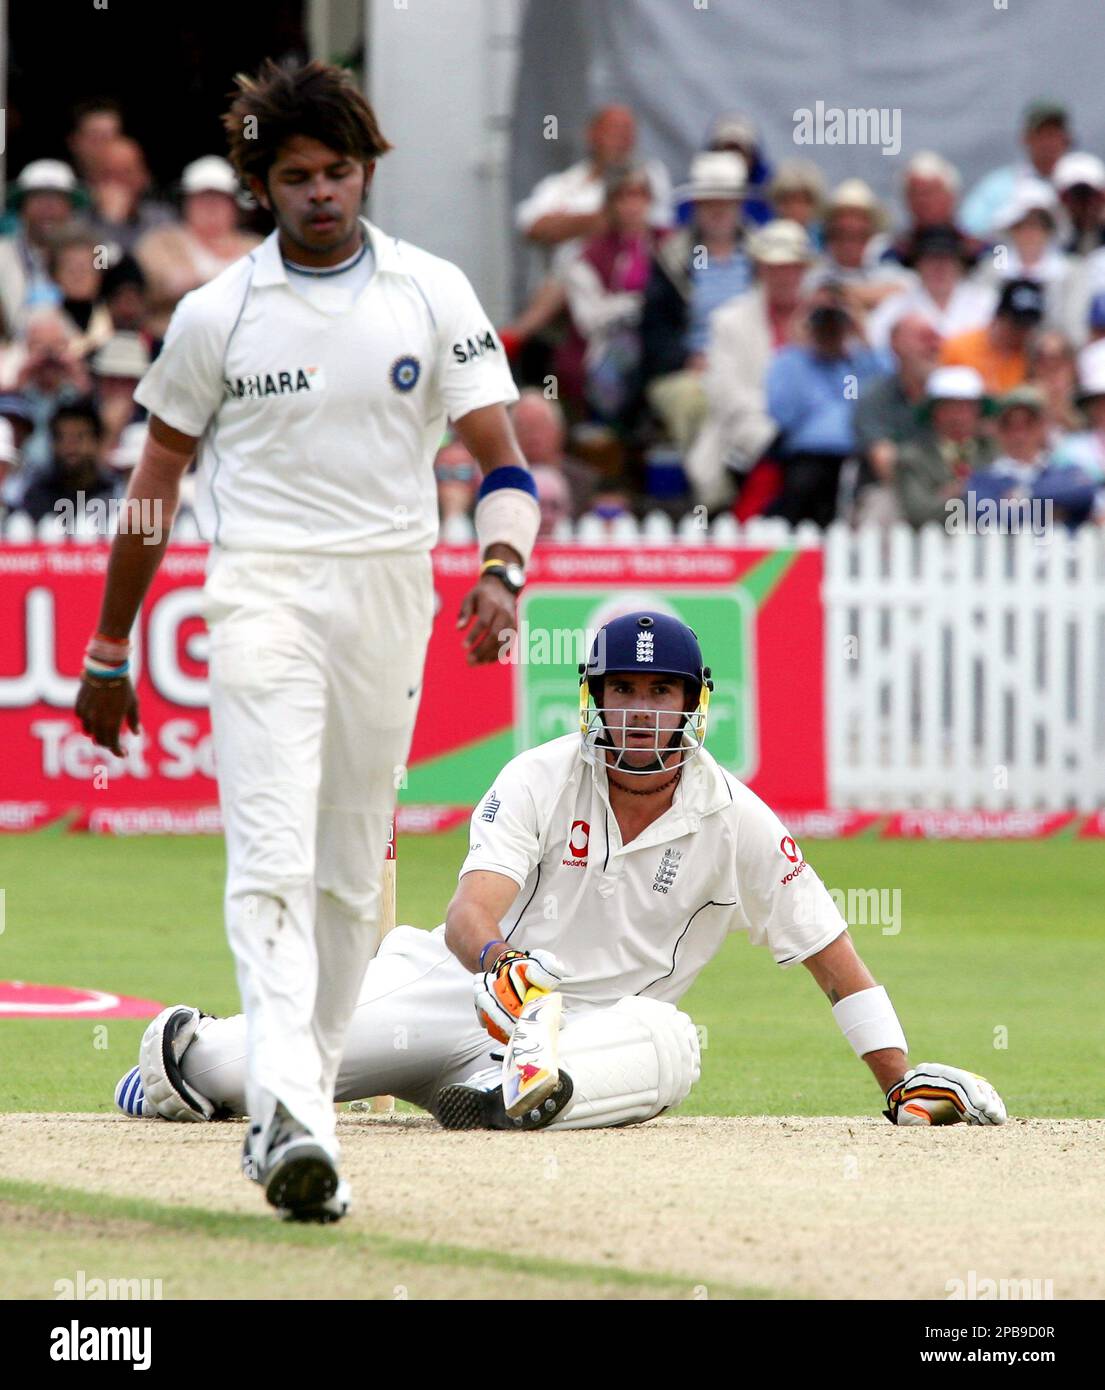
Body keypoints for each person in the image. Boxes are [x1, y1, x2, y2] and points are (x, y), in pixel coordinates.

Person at [73, 60, 534, 1225]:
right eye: (296, 178)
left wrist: (500, 567)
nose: (320, 194)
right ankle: (289, 1121)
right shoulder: (218, 312)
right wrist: (109, 646)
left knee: (343, 890)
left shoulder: (431, 293)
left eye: (337, 173)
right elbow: (154, 488)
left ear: (365, 170)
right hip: (263, 596)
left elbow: (505, 463)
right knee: (272, 855)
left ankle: (302, 1101)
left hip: (389, 600)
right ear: (262, 187)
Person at [114, 612, 1008, 1137]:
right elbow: (471, 913)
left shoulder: (736, 816)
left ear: (694, 705)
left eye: (662, 695)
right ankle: (191, 1049)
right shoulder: (541, 775)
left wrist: (895, 1083)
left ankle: (506, 1103)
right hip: (461, 995)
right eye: (623, 690)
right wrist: (507, 970)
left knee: (670, 1043)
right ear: (594, 699)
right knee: (234, 1079)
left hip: (585, 1037)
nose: (642, 711)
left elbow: (830, 955)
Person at [685, 218, 815, 511]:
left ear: (804, 270)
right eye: (774, 267)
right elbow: (727, 397)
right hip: (742, 441)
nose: (783, 276)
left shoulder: (821, 319)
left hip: (810, 447)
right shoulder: (728, 320)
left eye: (791, 267)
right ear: (760, 269)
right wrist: (779, 438)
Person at [640, 151, 751, 458]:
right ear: (697, 206)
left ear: (738, 205)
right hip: (691, 370)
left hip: (753, 363)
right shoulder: (670, 257)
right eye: (709, 202)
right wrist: (688, 358)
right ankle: (712, 493)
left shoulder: (761, 254)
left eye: (724, 202)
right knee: (696, 402)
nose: (718, 211)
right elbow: (654, 329)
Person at [764, 283, 889, 526]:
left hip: (857, 456)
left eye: (837, 318)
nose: (830, 327)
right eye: (822, 316)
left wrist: (863, 334)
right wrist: (801, 345)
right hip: (807, 459)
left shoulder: (861, 361)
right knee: (804, 490)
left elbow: (888, 394)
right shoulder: (791, 361)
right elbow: (783, 415)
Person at [559, 164, 661, 420]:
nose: (633, 205)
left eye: (640, 195)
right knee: (620, 358)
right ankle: (611, 431)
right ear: (611, 204)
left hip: (663, 336)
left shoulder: (671, 244)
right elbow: (589, 320)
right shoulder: (587, 258)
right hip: (610, 342)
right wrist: (636, 305)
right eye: (624, 196)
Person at [136, 156, 261, 337]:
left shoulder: (256, 247)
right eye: (202, 199)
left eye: (219, 199)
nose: (211, 207)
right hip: (176, 340)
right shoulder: (159, 243)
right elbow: (142, 293)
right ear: (186, 202)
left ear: (234, 205)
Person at [852, 313, 942, 526]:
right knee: (879, 514)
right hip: (893, 490)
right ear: (896, 344)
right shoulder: (874, 396)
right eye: (923, 338)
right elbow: (885, 466)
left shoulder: (952, 394)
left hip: (948, 488)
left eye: (935, 338)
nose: (933, 345)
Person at [894, 366, 996, 527]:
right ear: (933, 413)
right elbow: (920, 512)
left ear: (978, 411)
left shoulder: (995, 451)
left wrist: (955, 493)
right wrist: (976, 493)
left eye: (965, 407)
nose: (957, 417)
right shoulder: (912, 457)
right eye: (948, 408)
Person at [866, 225, 992, 351]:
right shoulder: (895, 305)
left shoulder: (986, 302)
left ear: (961, 265)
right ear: (917, 265)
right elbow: (876, 343)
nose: (939, 268)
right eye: (931, 260)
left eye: (947, 260)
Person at [959, 101, 1071, 240]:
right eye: (1041, 135)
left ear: (1067, 139)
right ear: (1025, 139)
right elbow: (971, 230)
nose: (1048, 143)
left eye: (1054, 135)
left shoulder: (1084, 184)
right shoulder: (997, 186)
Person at [0, 160, 82, 339]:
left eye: (57, 200)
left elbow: (110, 265)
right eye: (38, 199)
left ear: (71, 208)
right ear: (21, 206)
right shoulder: (2, 252)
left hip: (76, 350)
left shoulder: (93, 251)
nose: (48, 209)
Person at [19, 399, 116, 524]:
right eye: (62, 437)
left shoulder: (113, 493)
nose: (70, 447)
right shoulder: (37, 495)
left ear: (96, 442)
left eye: (79, 437)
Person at [940, 278, 1044, 393]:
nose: (1022, 332)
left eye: (1028, 326)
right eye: (1016, 324)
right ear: (999, 317)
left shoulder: (1029, 358)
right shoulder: (959, 348)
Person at [84, 137, 175, 260]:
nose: (118, 183)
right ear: (94, 181)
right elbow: (101, 265)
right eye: (109, 174)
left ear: (143, 177)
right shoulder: (80, 226)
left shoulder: (162, 220)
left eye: (127, 172)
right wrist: (110, 223)